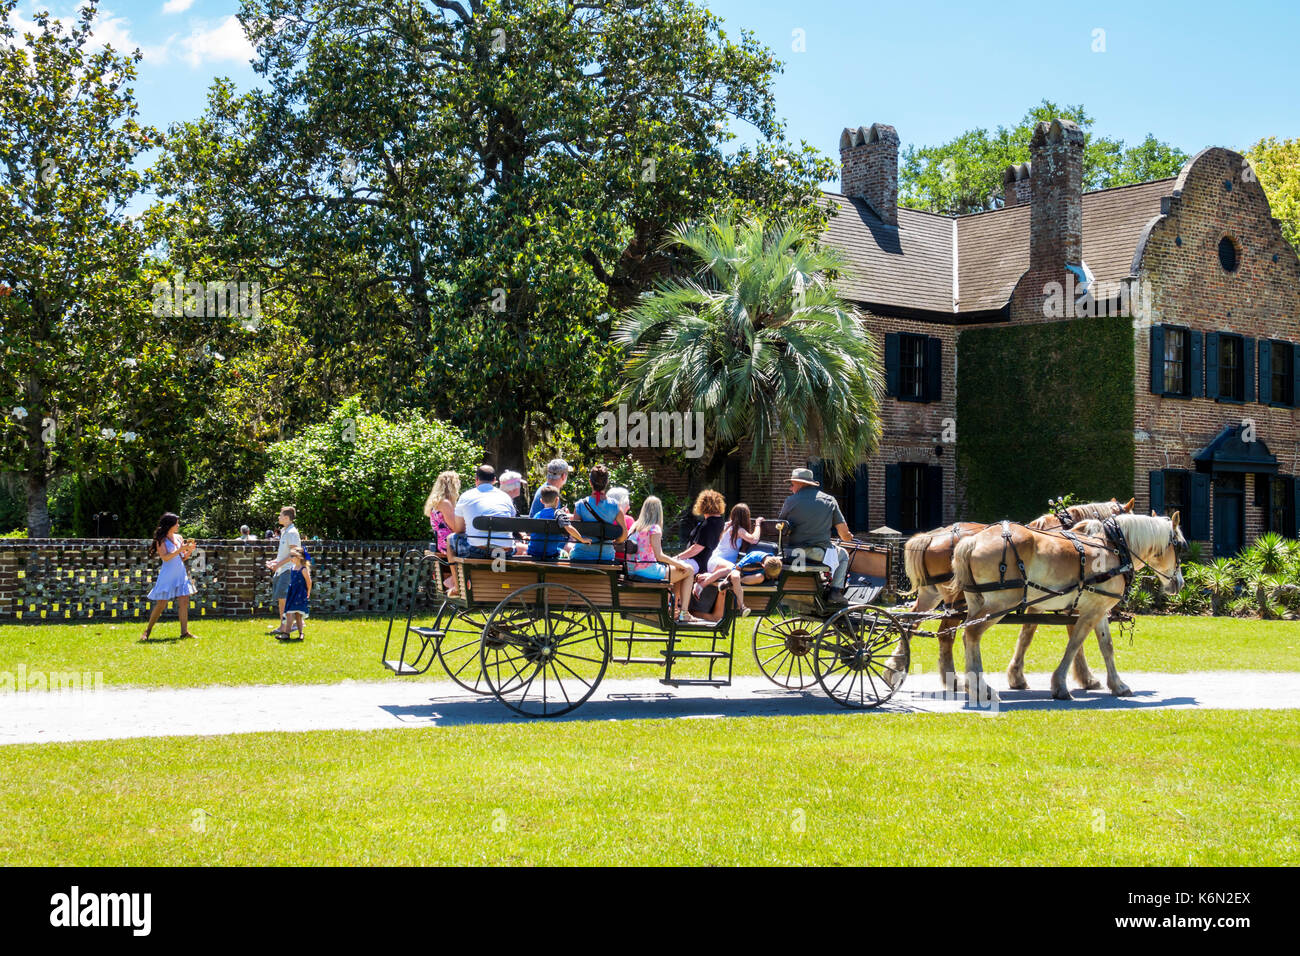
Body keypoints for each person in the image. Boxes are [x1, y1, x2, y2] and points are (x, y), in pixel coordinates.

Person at [777, 467, 854, 604]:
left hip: (793, 552)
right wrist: (849, 537)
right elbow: (844, 534)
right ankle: (835, 592)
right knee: (843, 555)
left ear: (800, 483)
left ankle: (819, 586)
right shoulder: (829, 500)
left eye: (792, 484)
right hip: (816, 552)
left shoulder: (790, 501)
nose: (790, 488)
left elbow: (781, 527)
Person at [627, 496, 697, 622]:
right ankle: (684, 612)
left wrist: (679, 565)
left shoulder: (634, 527)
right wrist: (680, 564)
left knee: (680, 572)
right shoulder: (654, 528)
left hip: (633, 569)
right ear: (659, 512)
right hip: (648, 569)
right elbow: (659, 556)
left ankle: (673, 610)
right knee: (689, 570)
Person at [696, 503, 764, 616]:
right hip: (718, 561)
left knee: (733, 572)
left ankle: (740, 605)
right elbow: (754, 540)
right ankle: (702, 585)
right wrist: (758, 524)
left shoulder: (727, 525)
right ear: (745, 517)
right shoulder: (737, 529)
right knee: (734, 569)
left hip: (716, 562)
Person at [140, 512, 198, 642]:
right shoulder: (161, 539)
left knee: (184, 601)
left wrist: (189, 551)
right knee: (161, 604)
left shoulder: (179, 537)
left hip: (180, 573)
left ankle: (184, 632)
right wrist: (180, 549)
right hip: (167, 574)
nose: (178, 525)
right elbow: (165, 557)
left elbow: (182, 558)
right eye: (176, 523)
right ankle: (147, 631)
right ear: (170, 525)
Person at [688, 555, 784, 623]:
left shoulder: (773, 563)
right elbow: (737, 567)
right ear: (763, 566)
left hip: (747, 579)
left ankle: (727, 582)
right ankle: (742, 606)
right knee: (733, 576)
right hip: (738, 572)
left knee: (759, 577)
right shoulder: (754, 557)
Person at [450, 464, 518, 558]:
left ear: (476, 479)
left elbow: (459, 530)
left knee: (452, 538)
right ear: (494, 480)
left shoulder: (466, 496)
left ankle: (455, 573)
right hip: (504, 551)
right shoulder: (506, 497)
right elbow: (511, 522)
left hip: (476, 551)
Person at [567, 464, 627, 562]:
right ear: (607, 482)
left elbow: (575, 534)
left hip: (581, 556)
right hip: (606, 556)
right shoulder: (615, 506)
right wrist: (614, 542)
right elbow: (624, 535)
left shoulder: (580, 505)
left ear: (590, 482)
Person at [264, 506, 302, 633]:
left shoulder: (291, 533)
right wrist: (275, 561)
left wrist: (278, 564)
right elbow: (285, 553)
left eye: (280, 515)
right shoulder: (285, 531)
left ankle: (290, 625)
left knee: (284, 598)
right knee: (282, 598)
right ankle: (284, 626)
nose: (279, 517)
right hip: (282, 569)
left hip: (288, 570)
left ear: (286, 518)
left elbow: (293, 554)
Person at [676, 489, 726, 581]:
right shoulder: (720, 521)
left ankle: (672, 595)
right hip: (705, 561)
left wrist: (677, 558)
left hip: (699, 563)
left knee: (672, 570)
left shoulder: (709, 524)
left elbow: (697, 548)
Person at [527, 486, 571, 560]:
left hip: (533, 552)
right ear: (557, 500)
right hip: (550, 554)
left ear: (541, 501)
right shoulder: (558, 515)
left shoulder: (536, 515)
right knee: (564, 553)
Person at [278, 546, 313, 641]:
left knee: (298, 615)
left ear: (299, 557)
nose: (291, 558)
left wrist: (308, 593)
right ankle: (286, 633)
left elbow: (309, 582)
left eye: (292, 556)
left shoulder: (303, 569)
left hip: (300, 594)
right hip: (292, 593)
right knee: (289, 613)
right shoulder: (292, 568)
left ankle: (301, 633)